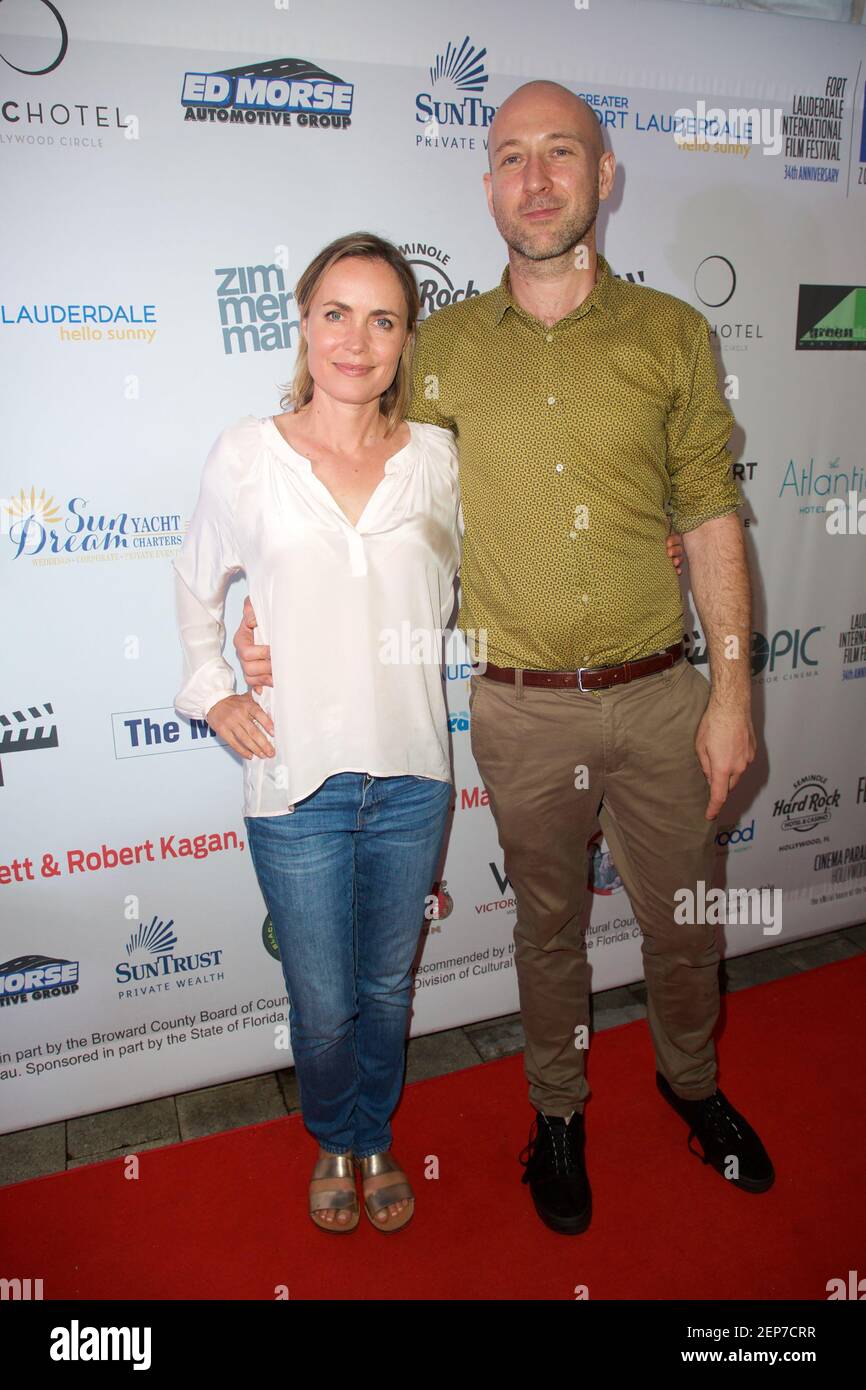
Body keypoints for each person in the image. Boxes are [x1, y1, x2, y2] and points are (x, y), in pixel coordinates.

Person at [172, 232, 461, 1234]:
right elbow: (193, 589)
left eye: (381, 318)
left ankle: (371, 1132)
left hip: (414, 773)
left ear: (403, 339)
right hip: (291, 779)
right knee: (325, 997)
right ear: (302, 324)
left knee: (387, 984)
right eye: (335, 312)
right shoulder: (246, 455)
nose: (356, 338)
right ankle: (332, 1135)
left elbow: (463, 588)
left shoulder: (436, 458)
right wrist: (219, 688)